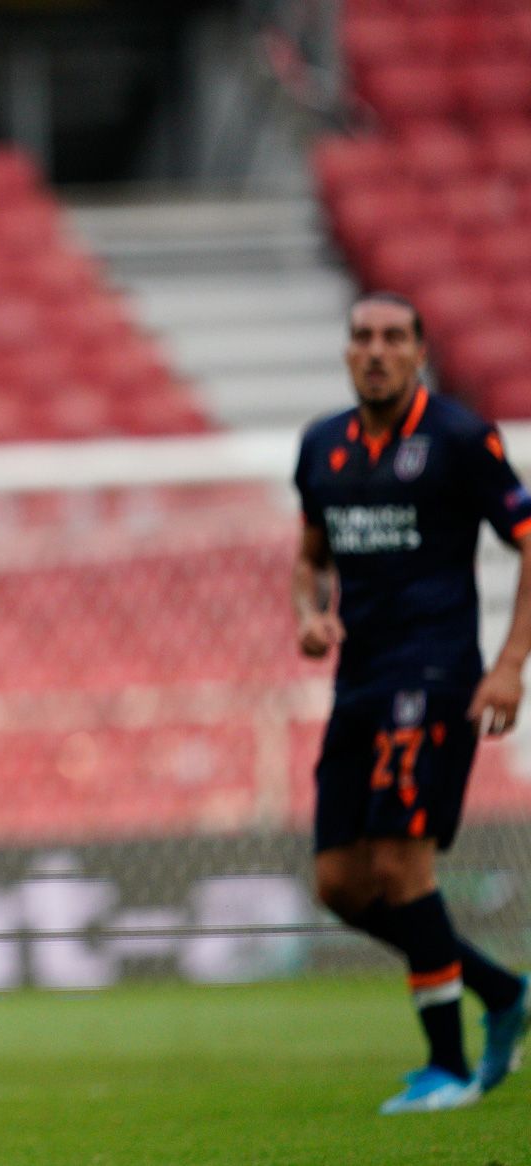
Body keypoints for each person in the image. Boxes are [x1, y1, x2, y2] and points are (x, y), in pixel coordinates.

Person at [291, 291, 531, 1114]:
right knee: (338, 885)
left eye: (394, 337)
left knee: (399, 866)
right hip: (358, 682)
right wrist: (311, 613)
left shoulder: (461, 439)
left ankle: (450, 1067)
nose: (377, 351)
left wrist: (511, 665)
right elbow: (309, 555)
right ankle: (502, 991)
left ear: (420, 349)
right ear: (347, 350)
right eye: (362, 336)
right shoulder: (322, 446)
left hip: (433, 678)